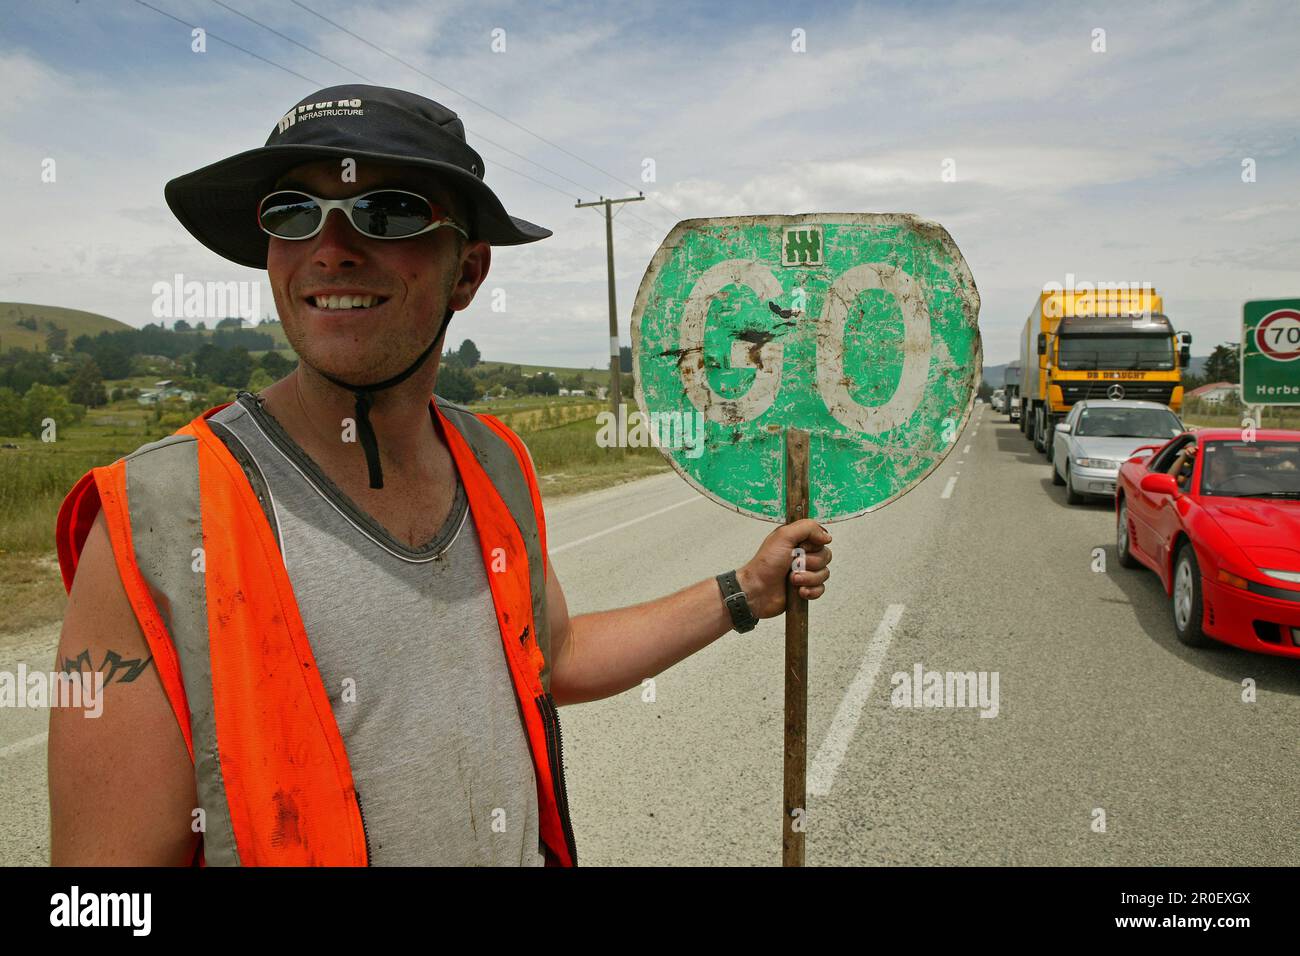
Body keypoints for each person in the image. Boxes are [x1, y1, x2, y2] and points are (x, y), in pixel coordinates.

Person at [48, 85, 833, 867]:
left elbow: (553, 657)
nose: (331, 247)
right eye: (293, 211)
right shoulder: (161, 514)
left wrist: (746, 591)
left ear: (468, 272)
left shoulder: (495, 461)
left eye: (387, 212)